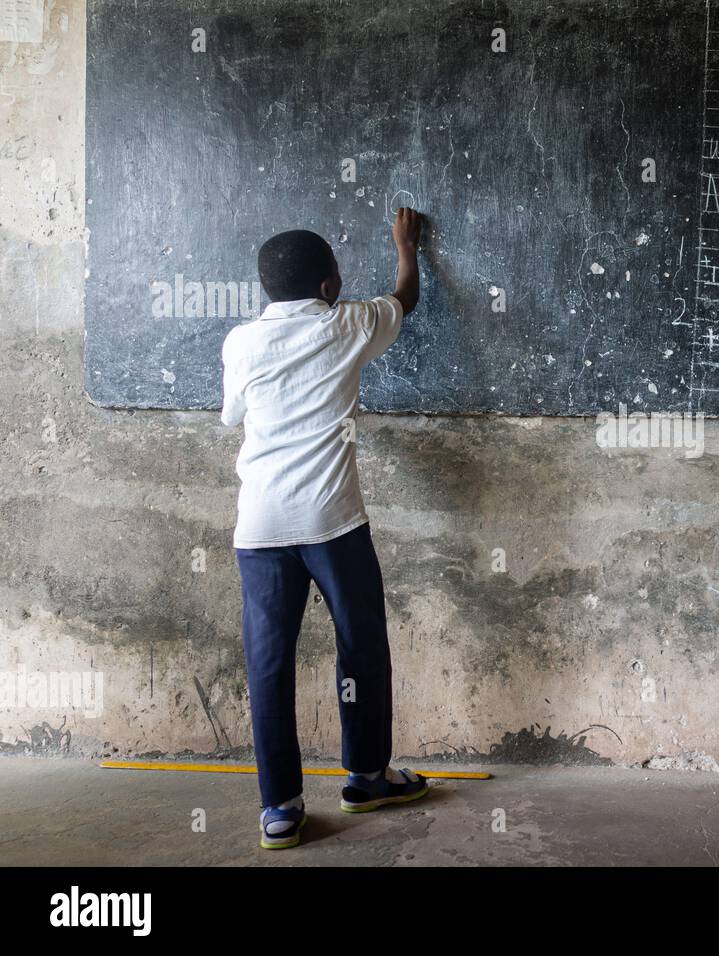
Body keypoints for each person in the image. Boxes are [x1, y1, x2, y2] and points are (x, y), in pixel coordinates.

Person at [220, 208, 427, 849]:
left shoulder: (240, 343)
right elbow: (405, 298)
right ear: (330, 285)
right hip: (329, 519)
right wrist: (406, 247)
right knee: (360, 644)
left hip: (258, 525)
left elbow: (232, 417)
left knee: (269, 663)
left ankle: (279, 810)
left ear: (265, 290)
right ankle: (366, 777)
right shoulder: (349, 324)